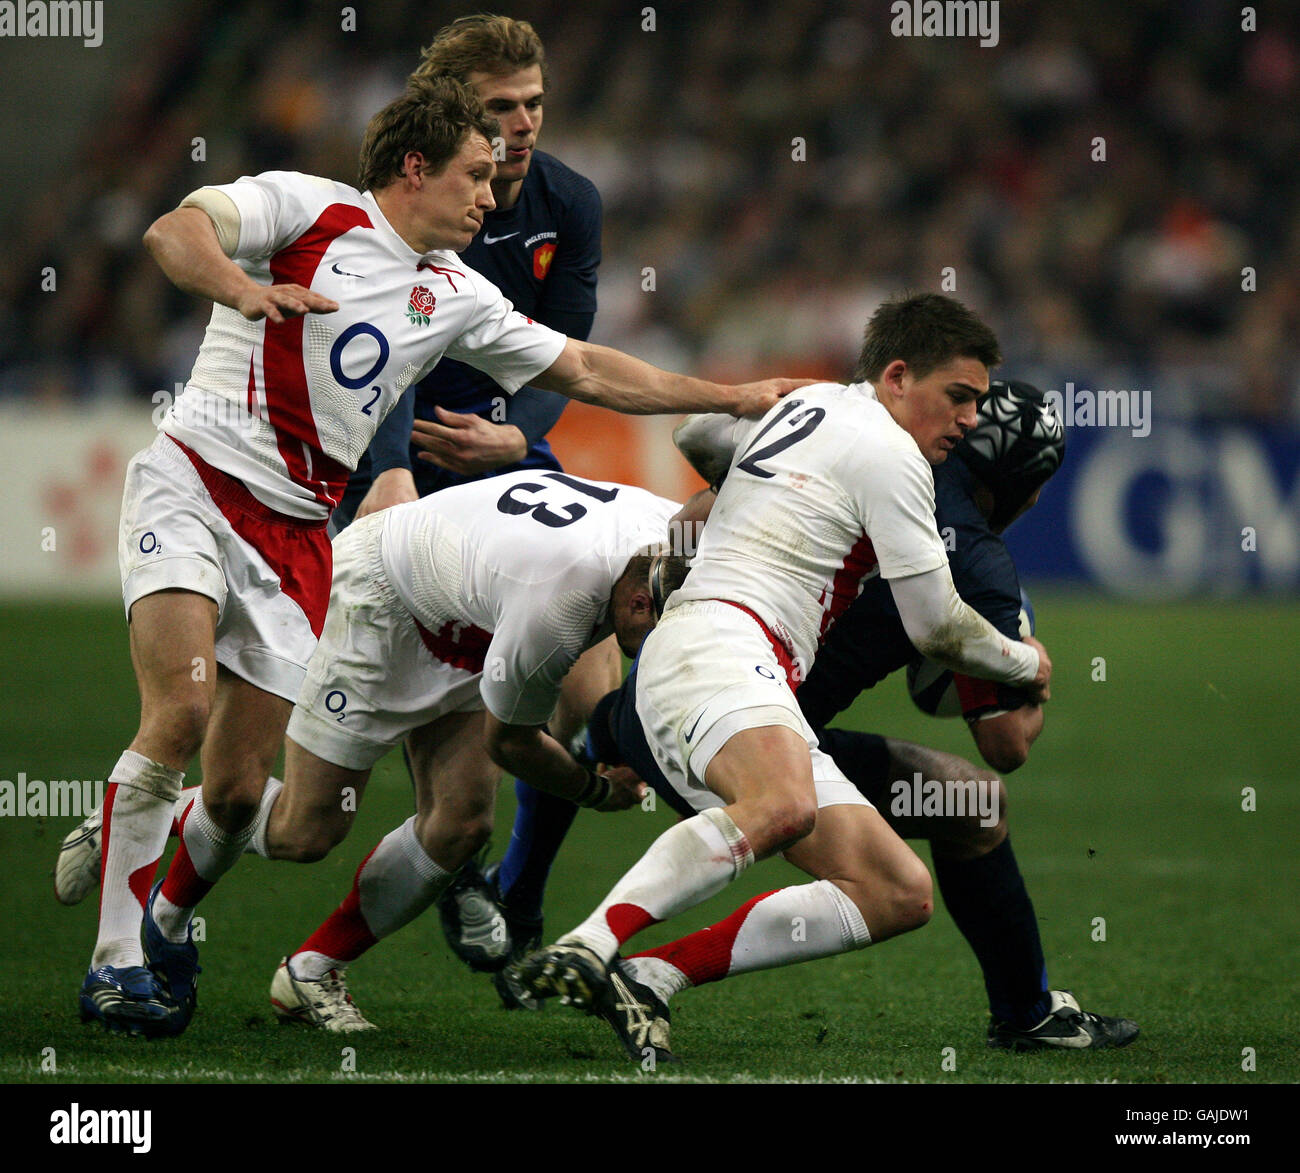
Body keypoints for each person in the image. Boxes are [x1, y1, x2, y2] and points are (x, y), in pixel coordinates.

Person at [73, 72, 798, 1037]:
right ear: (415, 169)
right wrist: (246, 290)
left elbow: (582, 366)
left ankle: (159, 858)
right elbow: (175, 232)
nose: (490, 199)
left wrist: (728, 395)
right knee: (183, 705)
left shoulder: (455, 293)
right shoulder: (306, 206)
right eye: (473, 177)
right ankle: (116, 962)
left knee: (246, 798)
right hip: (195, 483)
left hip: (298, 537)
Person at [512, 293, 1053, 1058]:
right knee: (784, 804)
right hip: (723, 647)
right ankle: (590, 939)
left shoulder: (814, 402)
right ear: (898, 376)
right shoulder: (896, 456)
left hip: (738, 672)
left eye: (977, 404)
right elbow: (938, 628)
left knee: (896, 890)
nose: (968, 420)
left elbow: (697, 431)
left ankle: (650, 975)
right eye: (958, 397)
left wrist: (741, 487)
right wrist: (1026, 659)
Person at [569, 380, 1138, 1058]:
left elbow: (699, 487)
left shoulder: (856, 446)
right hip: (750, 728)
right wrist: (1032, 666)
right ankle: (1027, 1012)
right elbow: (1004, 741)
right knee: (967, 810)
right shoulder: (977, 563)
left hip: (668, 692)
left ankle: (521, 881)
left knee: (588, 736)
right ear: (1027, 488)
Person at [259, 471, 686, 1031]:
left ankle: (312, 969)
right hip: (386, 597)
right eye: (656, 629)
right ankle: (143, 817)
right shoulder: (560, 606)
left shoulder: (676, 542)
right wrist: (596, 790)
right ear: (636, 599)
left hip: (470, 618)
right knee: (305, 830)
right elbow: (511, 743)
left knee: (459, 824)